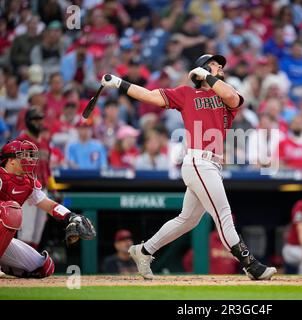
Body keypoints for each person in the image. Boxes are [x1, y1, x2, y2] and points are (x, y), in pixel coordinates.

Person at [100, 53, 277, 280]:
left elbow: (232, 97)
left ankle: (143, 251)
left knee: (187, 220)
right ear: (202, 68)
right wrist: (117, 82)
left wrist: (208, 76)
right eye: (214, 64)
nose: (220, 67)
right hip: (198, 161)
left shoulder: (225, 93)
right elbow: (150, 96)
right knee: (224, 216)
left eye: (220, 65)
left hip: (211, 164)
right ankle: (252, 266)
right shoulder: (186, 93)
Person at [0, 139, 95, 278]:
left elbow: (49, 205)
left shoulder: (28, 182)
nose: (28, 159)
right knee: (11, 211)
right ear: (11, 160)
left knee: (44, 267)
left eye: (29, 155)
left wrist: (71, 216)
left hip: (3, 240)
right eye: (23, 155)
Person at [15, 107, 57, 249]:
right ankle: (19, 266)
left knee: (38, 231)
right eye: (35, 119)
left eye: (40, 119)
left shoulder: (45, 142)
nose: (39, 122)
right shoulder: (21, 141)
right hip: (26, 189)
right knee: (27, 230)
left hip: (42, 190)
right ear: (27, 121)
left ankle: (29, 266)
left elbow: (47, 170)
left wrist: (54, 189)